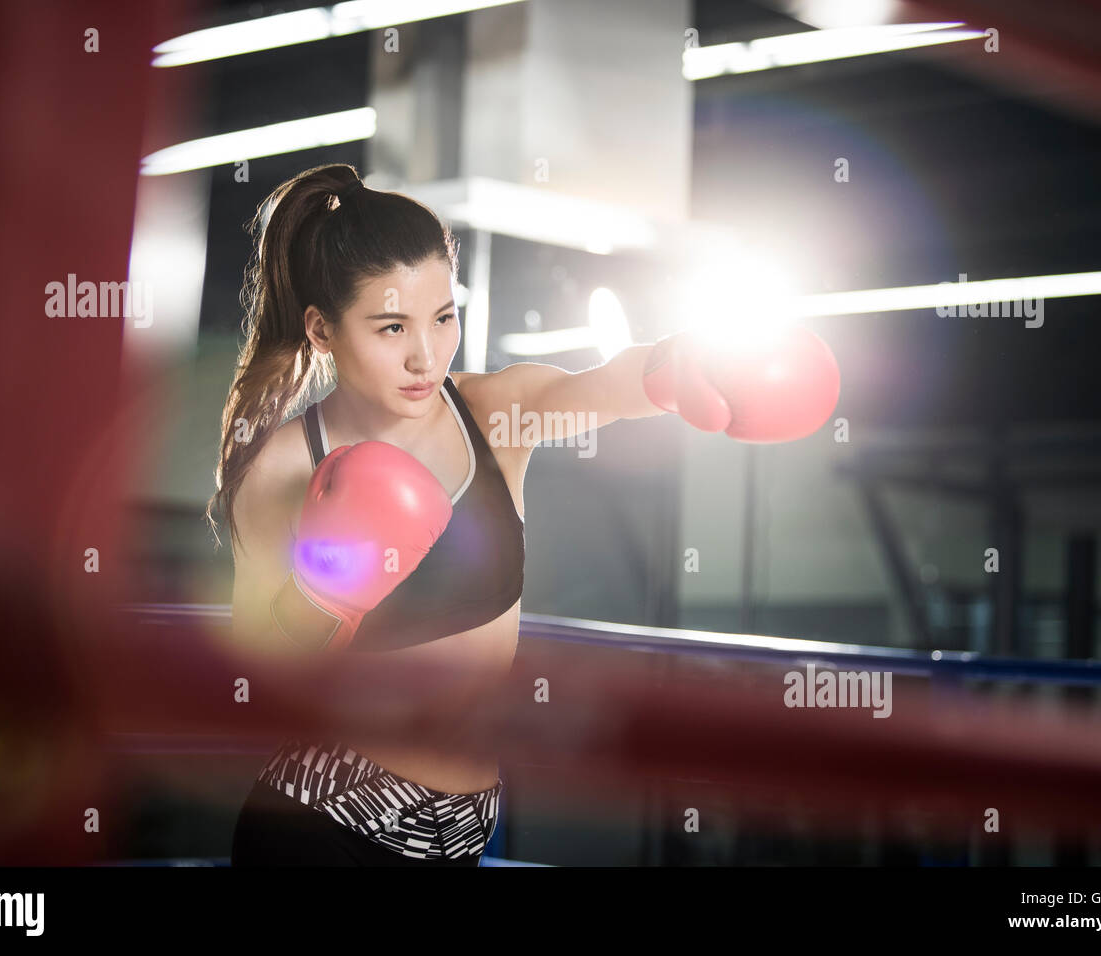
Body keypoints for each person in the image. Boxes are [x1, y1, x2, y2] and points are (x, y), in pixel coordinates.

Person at [207, 162, 838, 866]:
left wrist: (689, 363)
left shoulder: (491, 415)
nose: (426, 355)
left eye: (443, 318)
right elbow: (251, 684)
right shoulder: (283, 472)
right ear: (323, 331)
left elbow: (606, 386)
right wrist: (327, 594)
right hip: (326, 823)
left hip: (462, 830)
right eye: (391, 328)